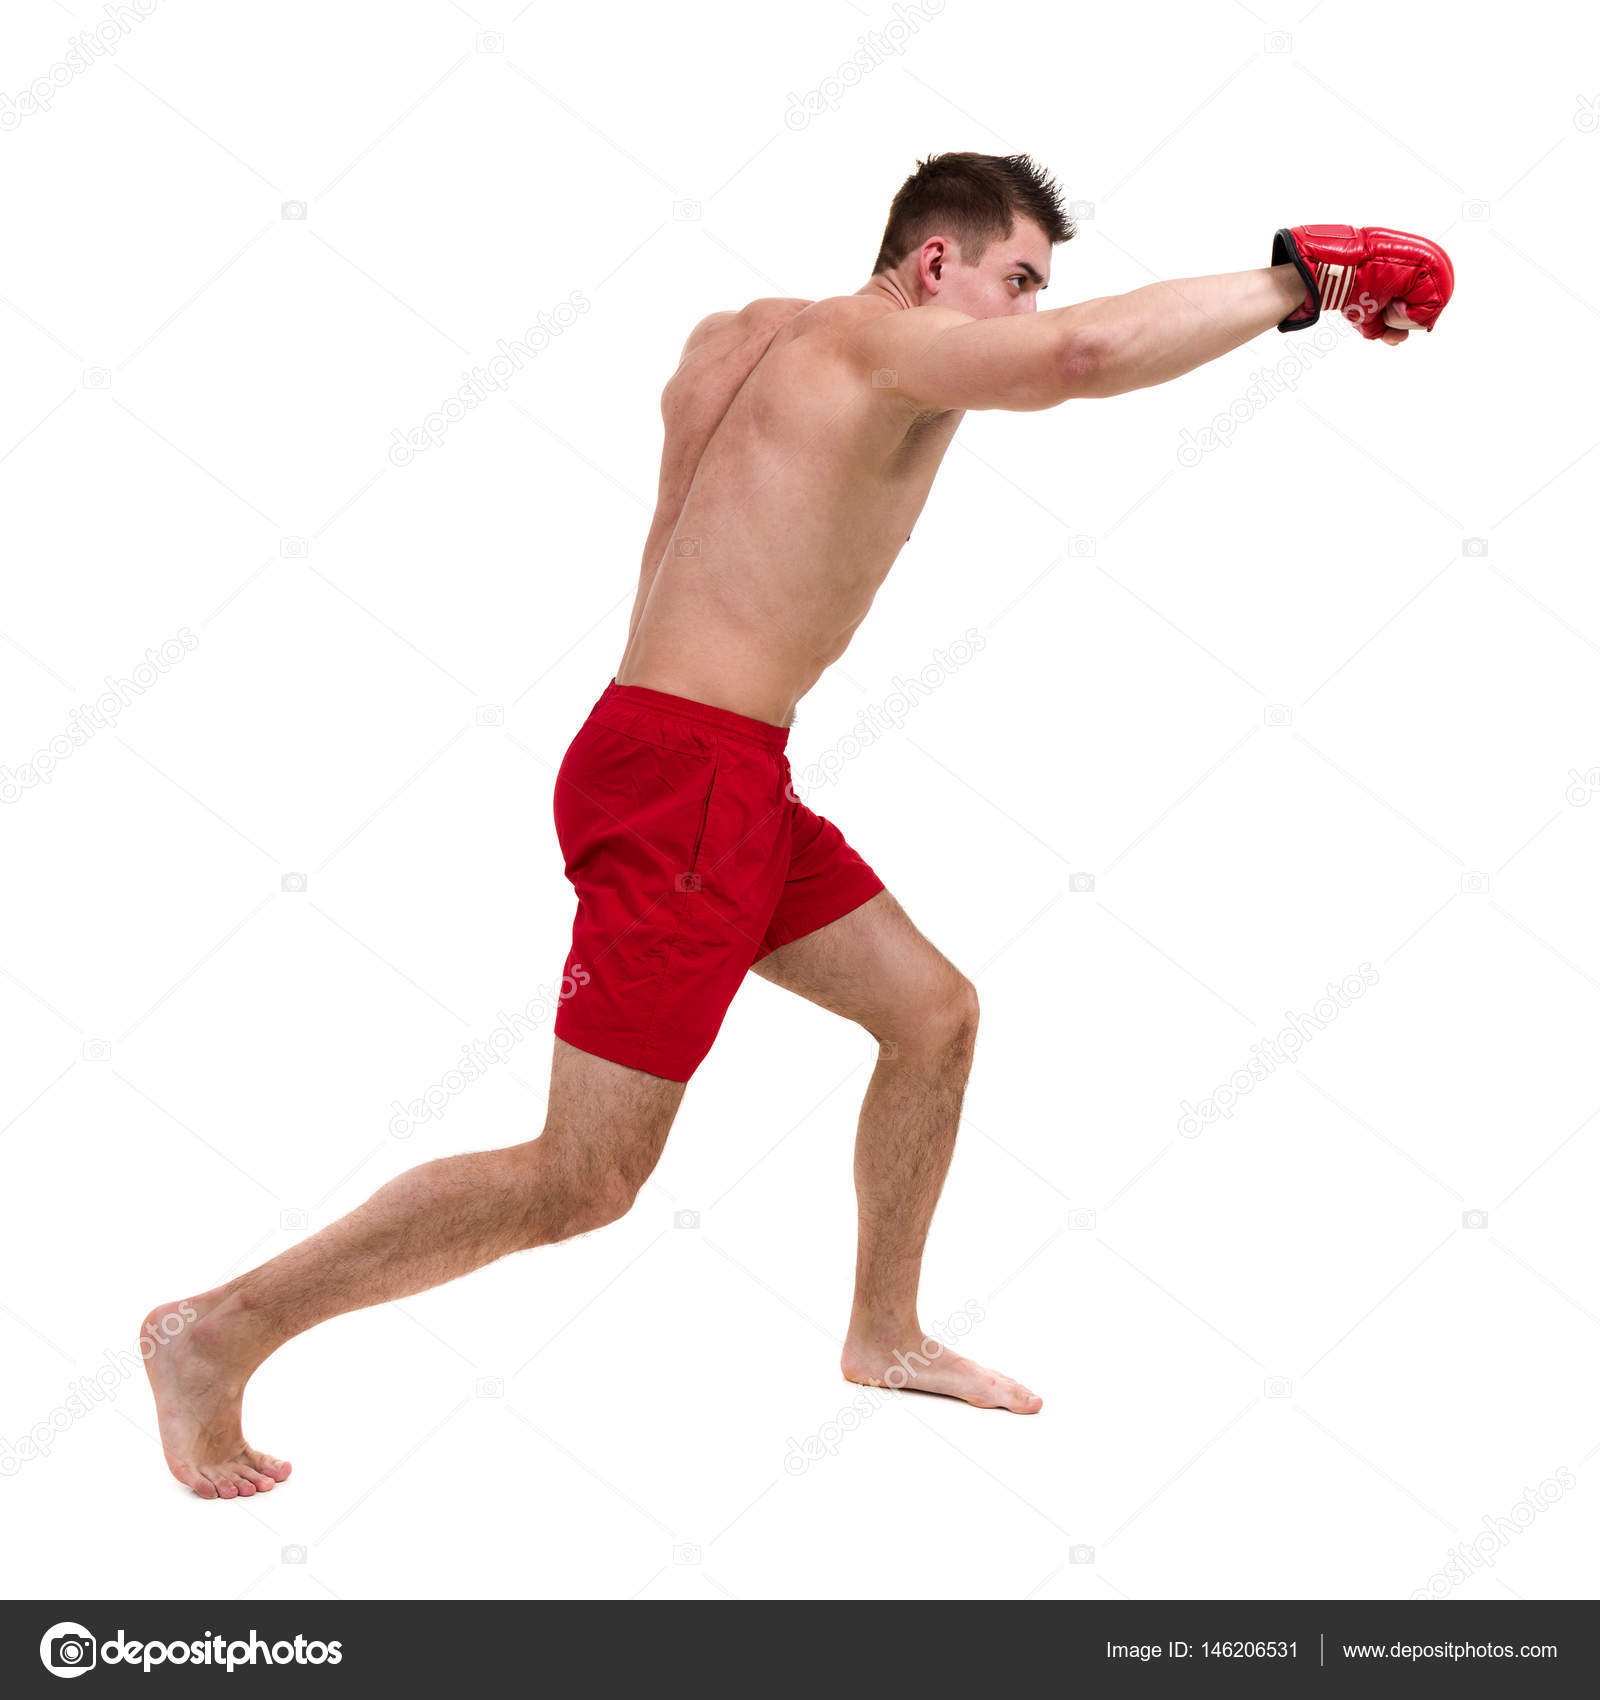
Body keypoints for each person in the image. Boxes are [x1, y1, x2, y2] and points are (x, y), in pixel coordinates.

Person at [145, 153, 1453, 1497]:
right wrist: (1301, 283)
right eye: (1017, 279)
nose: (1025, 312)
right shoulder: (881, 348)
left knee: (932, 1014)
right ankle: (217, 1332)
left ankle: (885, 1333)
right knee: (583, 1179)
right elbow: (1084, 355)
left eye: (1036, 289)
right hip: (689, 791)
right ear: (934, 263)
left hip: (695, 762)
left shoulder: (743, 335)